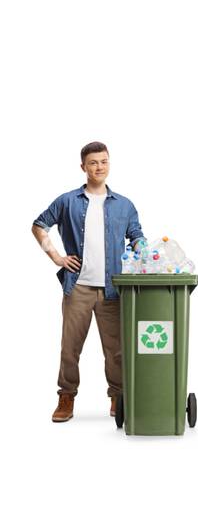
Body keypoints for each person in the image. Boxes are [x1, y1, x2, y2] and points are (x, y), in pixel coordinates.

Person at [32, 142, 144, 422]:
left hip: (113, 290)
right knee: (70, 347)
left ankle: (118, 398)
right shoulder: (67, 201)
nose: (99, 167)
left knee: (116, 349)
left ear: (109, 164)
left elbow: (137, 235)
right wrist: (56, 256)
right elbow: (39, 224)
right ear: (83, 167)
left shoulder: (125, 205)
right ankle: (66, 396)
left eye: (104, 161)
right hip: (78, 287)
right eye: (93, 163)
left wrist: (146, 250)